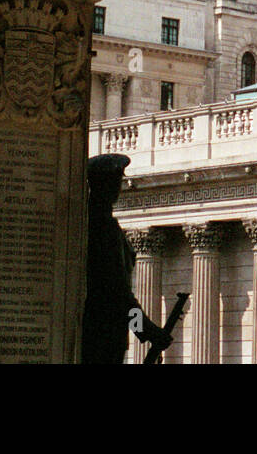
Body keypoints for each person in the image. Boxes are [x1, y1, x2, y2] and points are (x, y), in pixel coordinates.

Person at [82, 153, 171, 363]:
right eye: (116, 182)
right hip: (103, 335)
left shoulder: (93, 223)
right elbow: (118, 294)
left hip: (98, 332)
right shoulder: (103, 228)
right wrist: (148, 331)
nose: (119, 188)